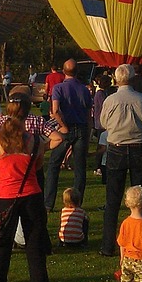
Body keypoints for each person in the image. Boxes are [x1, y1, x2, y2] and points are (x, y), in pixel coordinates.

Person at [0, 114, 51, 282]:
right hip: (31, 195)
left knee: (1, 250)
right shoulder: (35, 142)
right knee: (35, 251)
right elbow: (38, 166)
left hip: (5, 196)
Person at [99, 65, 142, 257]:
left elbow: (104, 123)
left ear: (116, 79)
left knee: (112, 199)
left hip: (116, 148)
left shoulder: (110, 100)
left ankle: (107, 246)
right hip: (139, 147)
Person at [46, 58, 92, 211]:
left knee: (54, 165)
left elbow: (55, 110)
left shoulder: (59, 88)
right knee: (80, 167)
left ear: (63, 71)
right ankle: (77, 203)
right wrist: (89, 132)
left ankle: (48, 203)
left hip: (66, 129)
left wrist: (62, 125)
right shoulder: (84, 89)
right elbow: (88, 114)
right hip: (81, 128)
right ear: (77, 71)